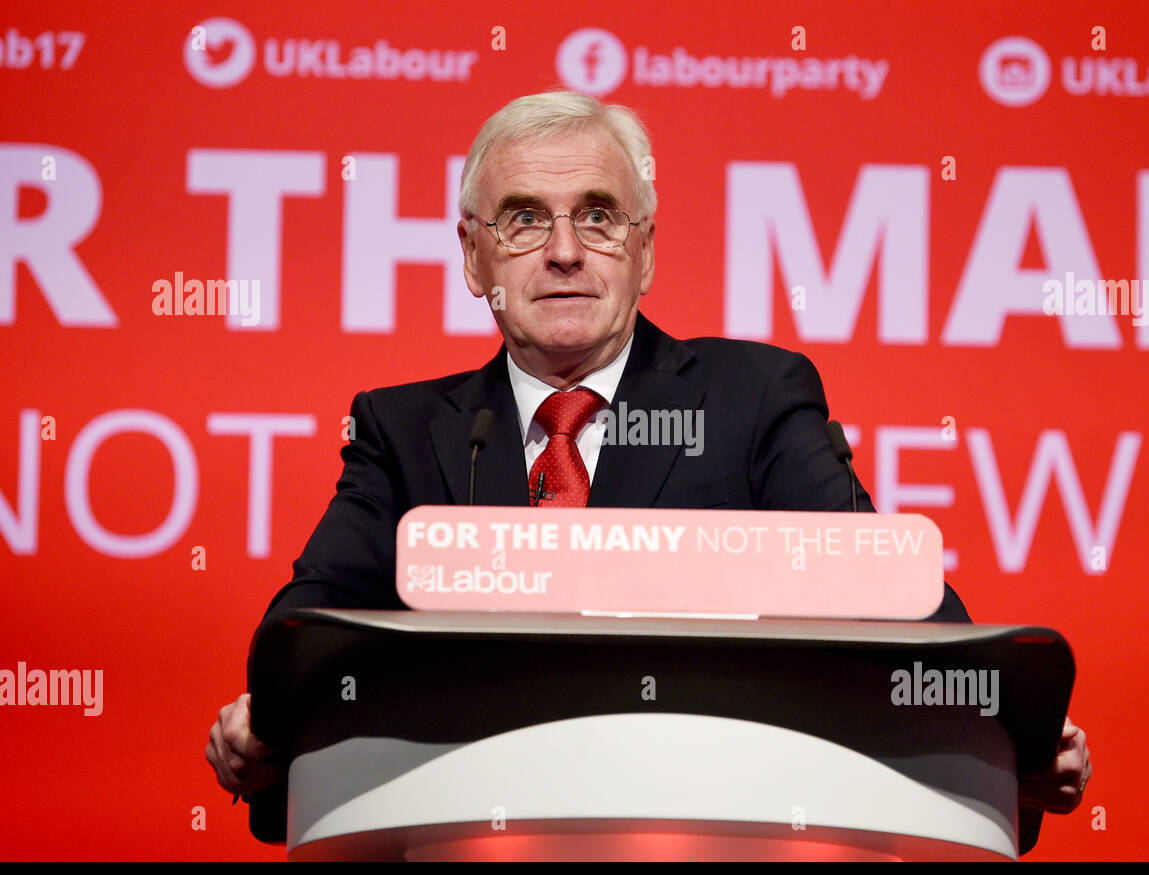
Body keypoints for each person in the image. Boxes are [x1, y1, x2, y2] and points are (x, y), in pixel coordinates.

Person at [206, 90, 1091, 825]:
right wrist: (266, 726)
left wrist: (1004, 735)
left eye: (598, 217)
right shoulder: (405, 431)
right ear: (474, 257)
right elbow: (306, 628)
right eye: (524, 220)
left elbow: (892, 595)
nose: (563, 252)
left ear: (644, 251)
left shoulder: (751, 400)